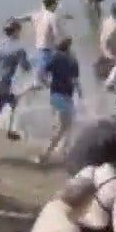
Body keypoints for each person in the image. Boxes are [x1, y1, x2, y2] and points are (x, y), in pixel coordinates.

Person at [39, 36, 81, 164]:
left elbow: (41, 72)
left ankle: (63, 152)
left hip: (55, 96)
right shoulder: (72, 60)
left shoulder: (54, 57)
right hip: (66, 97)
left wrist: (46, 83)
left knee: (65, 126)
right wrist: (81, 95)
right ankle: (46, 154)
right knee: (64, 127)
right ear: (69, 47)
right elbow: (75, 82)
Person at [96, 2, 116, 80]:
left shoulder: (106, 22)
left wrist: (108, 55)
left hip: (107, 57)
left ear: (111, 11)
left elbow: (102, 43)